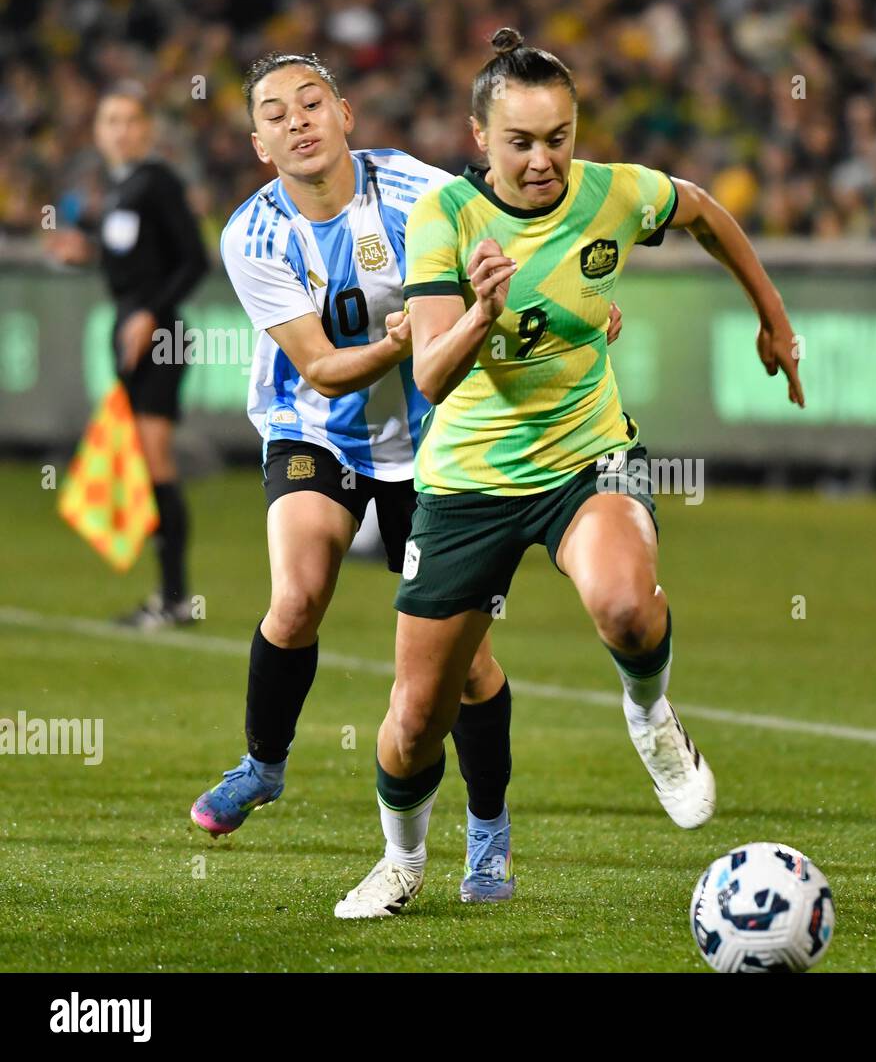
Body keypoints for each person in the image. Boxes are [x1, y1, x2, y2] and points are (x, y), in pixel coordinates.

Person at [333, 28, 804, 919]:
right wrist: (482, 312)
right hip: (468, 482)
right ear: (481, 137)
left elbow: (703, 210)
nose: (543, 159)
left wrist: (772, 315)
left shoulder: (614, 192)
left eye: (559, 137)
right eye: (520, 142)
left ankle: (652, 718)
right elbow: (429, 375)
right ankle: (401, 859)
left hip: (589, 456)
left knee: (625, 605)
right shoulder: (445, 218)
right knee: (417, 718)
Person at [192, 53, 623, 903]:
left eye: (312, 103)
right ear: (259, 145)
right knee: (296, 597)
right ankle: (263, 764)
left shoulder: (419, 191)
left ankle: (489, 829)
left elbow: (519, 254)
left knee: (467, 665)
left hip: (435, 448)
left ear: (346, 114)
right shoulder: (251, 235)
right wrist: (400, 347)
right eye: (276, 114)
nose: (298, 121)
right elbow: (321, 369)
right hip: (315, 430)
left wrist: (580, 307)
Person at [48, 83, 208, 627]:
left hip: (159, 334)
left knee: (156, 459)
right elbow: (137, 258)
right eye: (109, 120)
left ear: (147, 128)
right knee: (141, 459)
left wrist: (150, 314)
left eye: (129, 120)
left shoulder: (157, 181)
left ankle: (175, 598)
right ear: (98, 132)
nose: (119, 130)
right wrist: (89, 252)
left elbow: (194, 260)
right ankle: (169, 594)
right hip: (131, 329)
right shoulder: (120, 187)